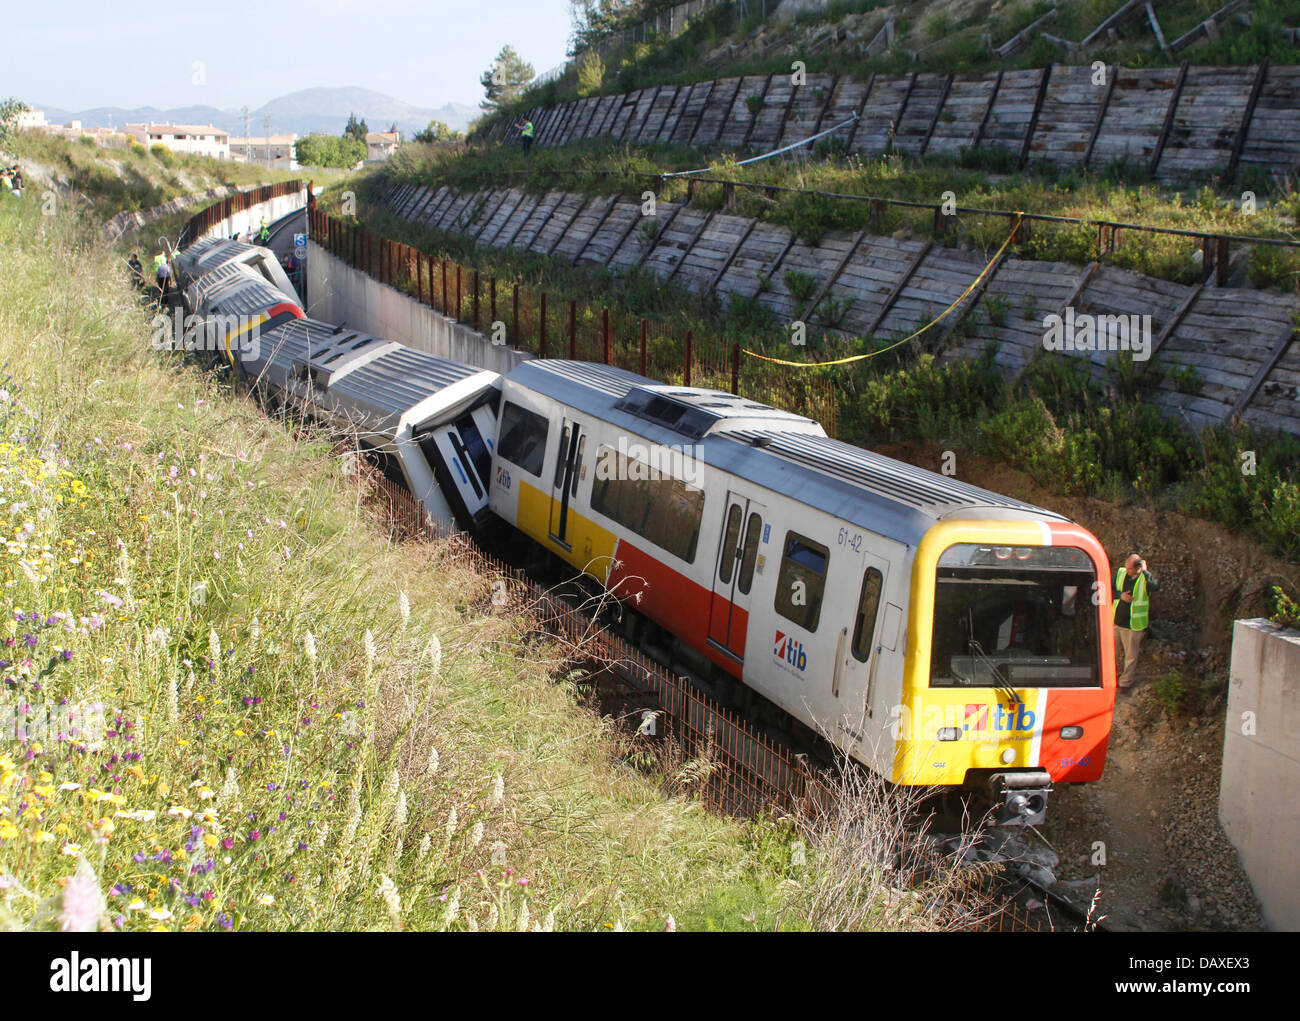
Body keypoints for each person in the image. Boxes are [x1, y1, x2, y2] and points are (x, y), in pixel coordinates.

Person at [1113, 553, 1158, 690]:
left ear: (1138, 568)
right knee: (1110, 653)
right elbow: (1108, 589)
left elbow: (1155, 587)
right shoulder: (1121, 573)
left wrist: (1145, 571)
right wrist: (1120, 596)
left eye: (1130, 569)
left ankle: (1125, 683)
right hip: (1116, 621)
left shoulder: (1145, 578)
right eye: (1126, 567)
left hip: (1133, 625)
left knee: (1130, 657)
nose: (1127, 571)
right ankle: (1110, 678)